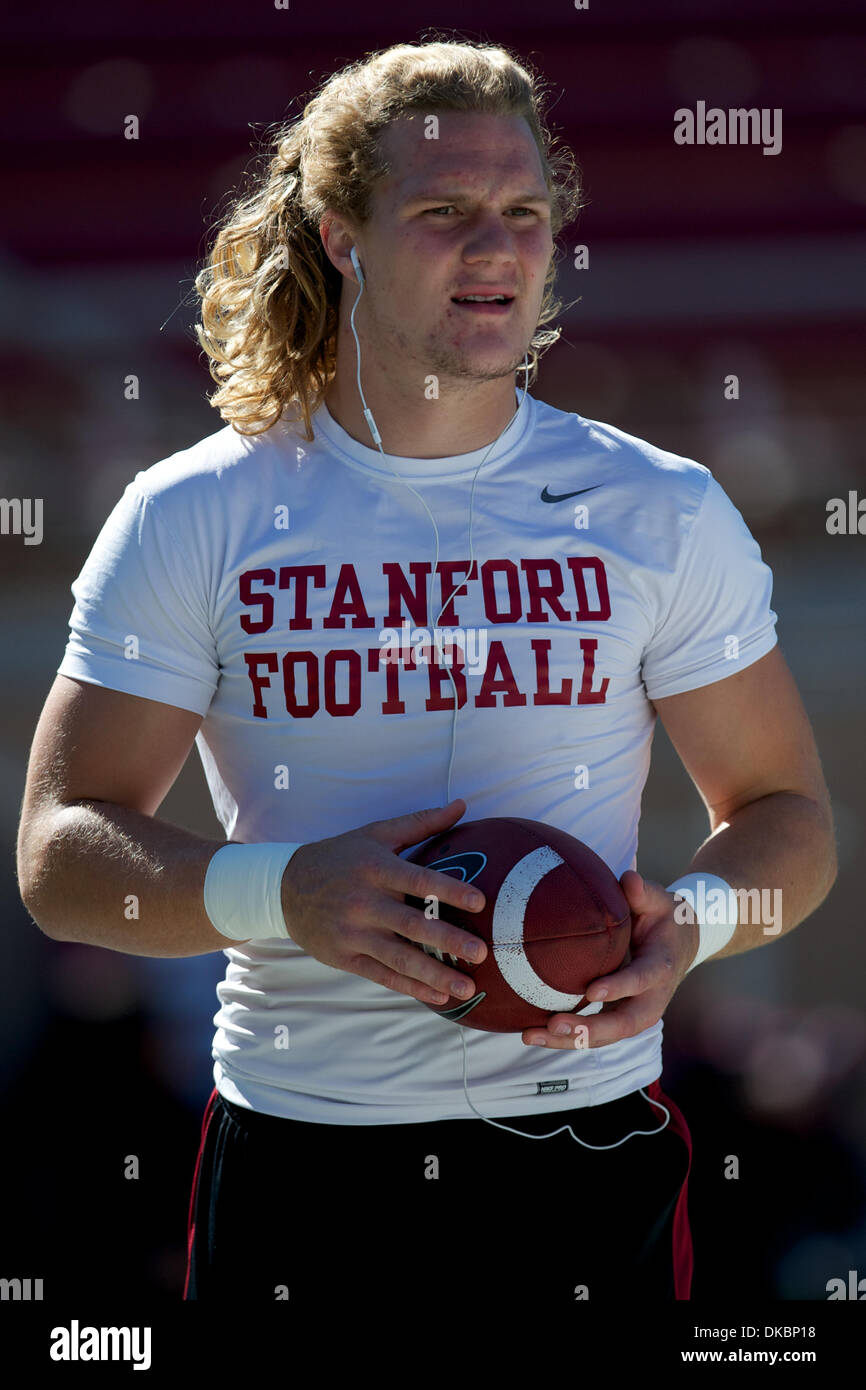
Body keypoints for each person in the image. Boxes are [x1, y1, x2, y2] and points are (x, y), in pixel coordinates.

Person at [16, 40, 836, 1308]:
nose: (495, 247)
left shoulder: (655, 506)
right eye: (443, 213)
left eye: (522, 213)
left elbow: (789, 823)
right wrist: (285, 893)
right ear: (341, 234)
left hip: (585, 1153)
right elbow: (60, 858)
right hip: (301, 1156)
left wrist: (696, 924)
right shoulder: (198, 511)